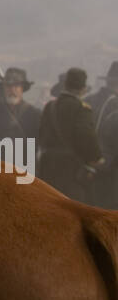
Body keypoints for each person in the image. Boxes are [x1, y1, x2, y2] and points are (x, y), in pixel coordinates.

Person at [37, 68, 102, 202]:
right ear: (83, 89)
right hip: (71, 170)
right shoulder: (82, 108)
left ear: (64, 86)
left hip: (47, 167)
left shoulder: (49, 107)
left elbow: (41, 135)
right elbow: (86, 136)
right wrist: (96, 158)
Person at [0, 67, 41, 142]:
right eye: (8, 86)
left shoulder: (34, 114)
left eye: (16, 86)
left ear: (22, 88)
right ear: (4, 88)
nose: (12, 89)